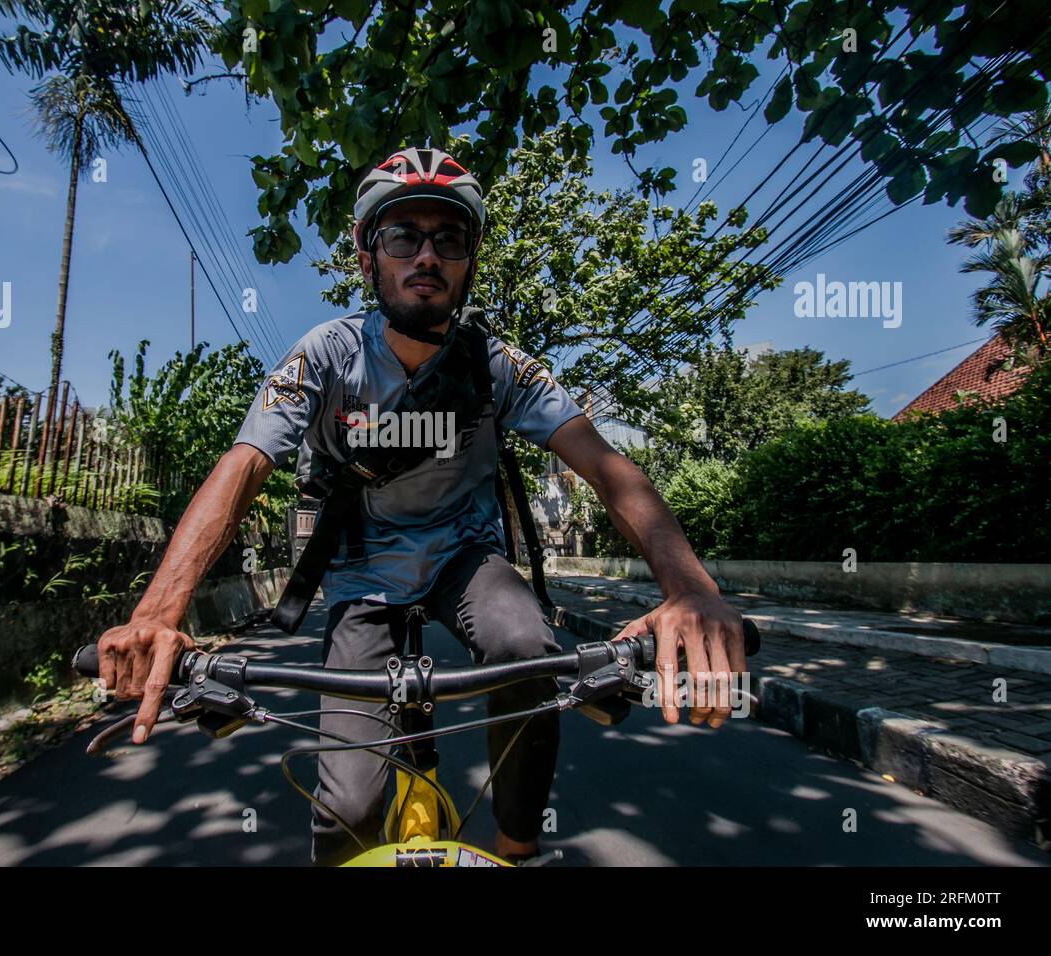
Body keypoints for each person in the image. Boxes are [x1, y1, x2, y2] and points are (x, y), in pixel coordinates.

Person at [96, 147, 747, 866]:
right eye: (403, 235)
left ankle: (519, 845)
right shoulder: (325, 355)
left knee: (529, 649)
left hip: (466, 561)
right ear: (367, 254)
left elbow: (605, 466)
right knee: (347, 810)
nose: (426, 256)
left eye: (450, 238)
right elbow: (244, 466)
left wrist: (689, 589)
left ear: (470, 260)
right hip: (360, 576)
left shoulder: (499, 366)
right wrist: (158, 614)